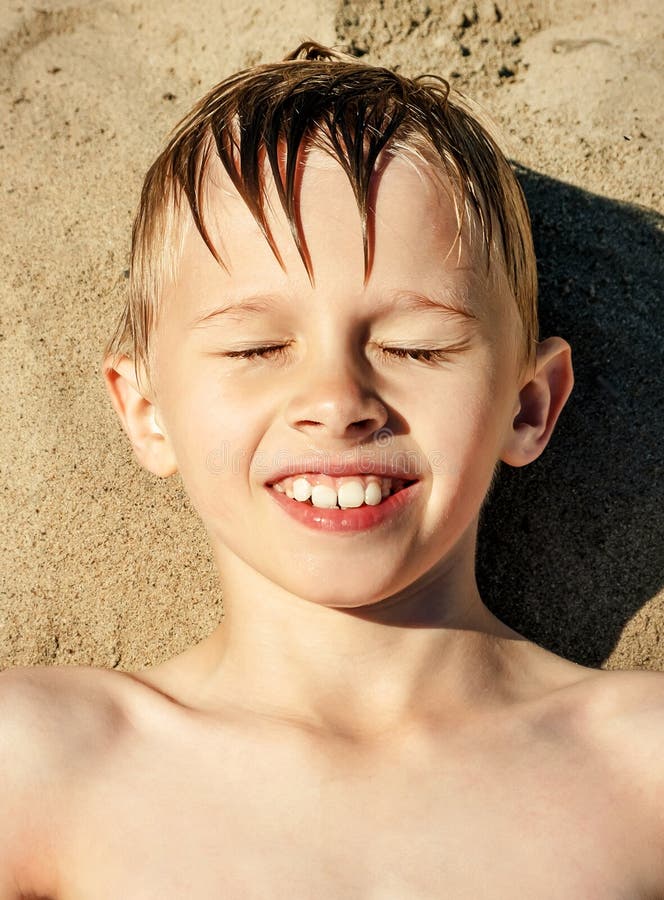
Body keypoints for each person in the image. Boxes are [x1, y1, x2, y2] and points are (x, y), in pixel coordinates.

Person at [1, 40, 663, 899]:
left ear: (529, 404)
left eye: (413, 348)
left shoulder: (641, 767)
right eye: (257, 346)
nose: (337, 398)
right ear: (146, 411)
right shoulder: (43, 761)